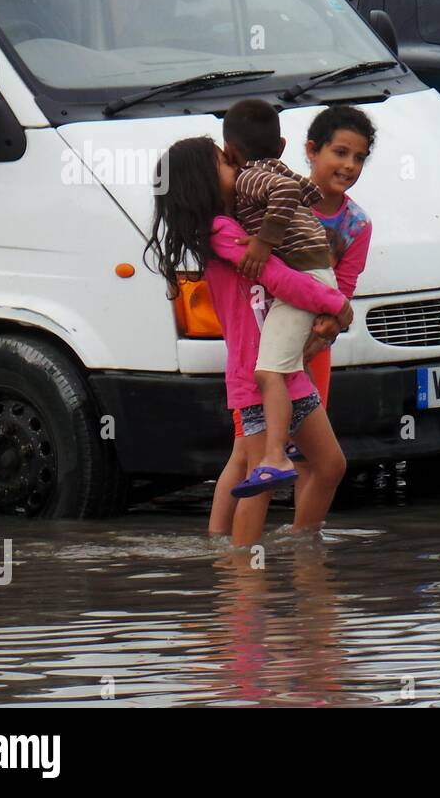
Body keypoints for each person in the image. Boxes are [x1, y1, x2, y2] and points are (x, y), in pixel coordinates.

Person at [144, 136, 349, 547]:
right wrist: (335, 302)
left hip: (286, 369)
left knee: (329, 466)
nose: (234, 168)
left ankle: (302, 544)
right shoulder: (221, 233)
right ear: (202, 180)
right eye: (223, 163)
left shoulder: (236, 223)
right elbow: (275, 276)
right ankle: (241, 573)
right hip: (257, 379)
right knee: (261, 481)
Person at [222, 99, 341, 496]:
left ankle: (276, 454)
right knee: (288, 365)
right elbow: (304, 188)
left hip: (305, 274)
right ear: (283, 145)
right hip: (314, 271)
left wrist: (263, 243)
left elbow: (290, 191)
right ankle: (289, 441)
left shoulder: (249, 177)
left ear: (231, 153)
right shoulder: (275, 168)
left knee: (269, 372)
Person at [303, 105, 375, 405]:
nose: (349, 165)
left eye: (359, 158)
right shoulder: (282, 202)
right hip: (265, 334)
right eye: (341, 152)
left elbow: (343, 289)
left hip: (316, 339)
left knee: (308, 425)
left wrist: (324, 333)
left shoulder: (357, 225)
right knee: (258, 429)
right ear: (312, 151)